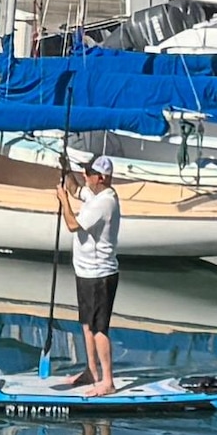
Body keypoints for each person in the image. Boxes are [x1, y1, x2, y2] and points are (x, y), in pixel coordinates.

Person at [56, 145, 124, 393]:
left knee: (98, 328)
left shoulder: (105, 202)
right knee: (86, 324)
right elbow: (76, 189)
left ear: (102, 177)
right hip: (85, 272)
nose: (85, 176)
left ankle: (107, 381)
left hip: (100, 275)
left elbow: (73, 225)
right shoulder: (95, 195)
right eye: (85, 171)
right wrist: (65, 170)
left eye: (89, 173)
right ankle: (91, 371)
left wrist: (63, 201)